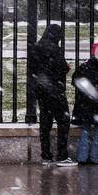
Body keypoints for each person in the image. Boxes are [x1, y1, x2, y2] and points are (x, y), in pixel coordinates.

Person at [31, 23, 73, 166]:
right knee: (63, 120)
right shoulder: (56, 49)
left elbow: (33, 69)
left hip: (41, 89)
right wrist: (66, 68)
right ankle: (62, 155)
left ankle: (46, 155)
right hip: (55, 90)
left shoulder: (36, 47)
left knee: (45, 121)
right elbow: (61, 68)